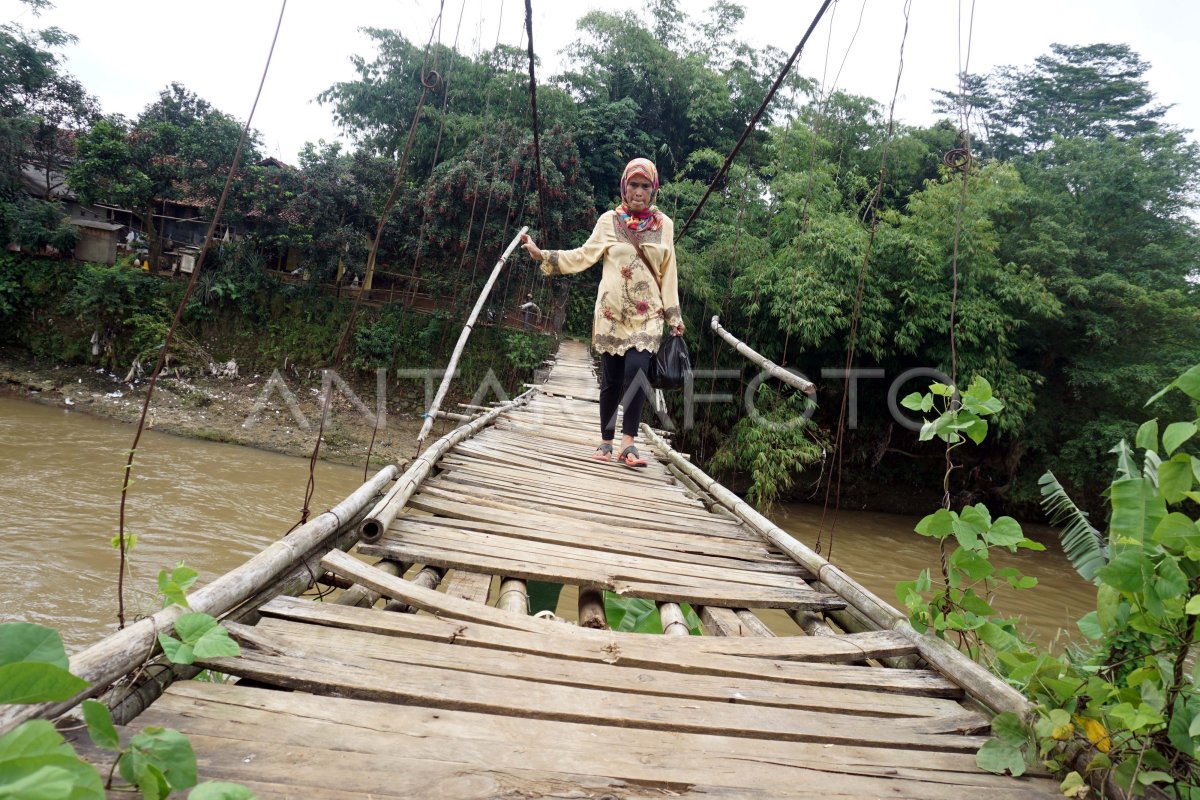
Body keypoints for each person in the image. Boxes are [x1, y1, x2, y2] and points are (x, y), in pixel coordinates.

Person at [521, 157, 684, 469]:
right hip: (611, 314)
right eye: (633, 184)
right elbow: (584, 255)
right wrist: (544, 255)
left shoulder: (665, 226)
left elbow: (669, 273)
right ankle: (606, 441)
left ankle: (629, 443)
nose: (639, 191)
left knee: (636, 373)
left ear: (654, 190)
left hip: (648, 315)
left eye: (645, 185)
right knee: (611, 379)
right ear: (624, 187)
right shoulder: (609, 221)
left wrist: (674, 317)